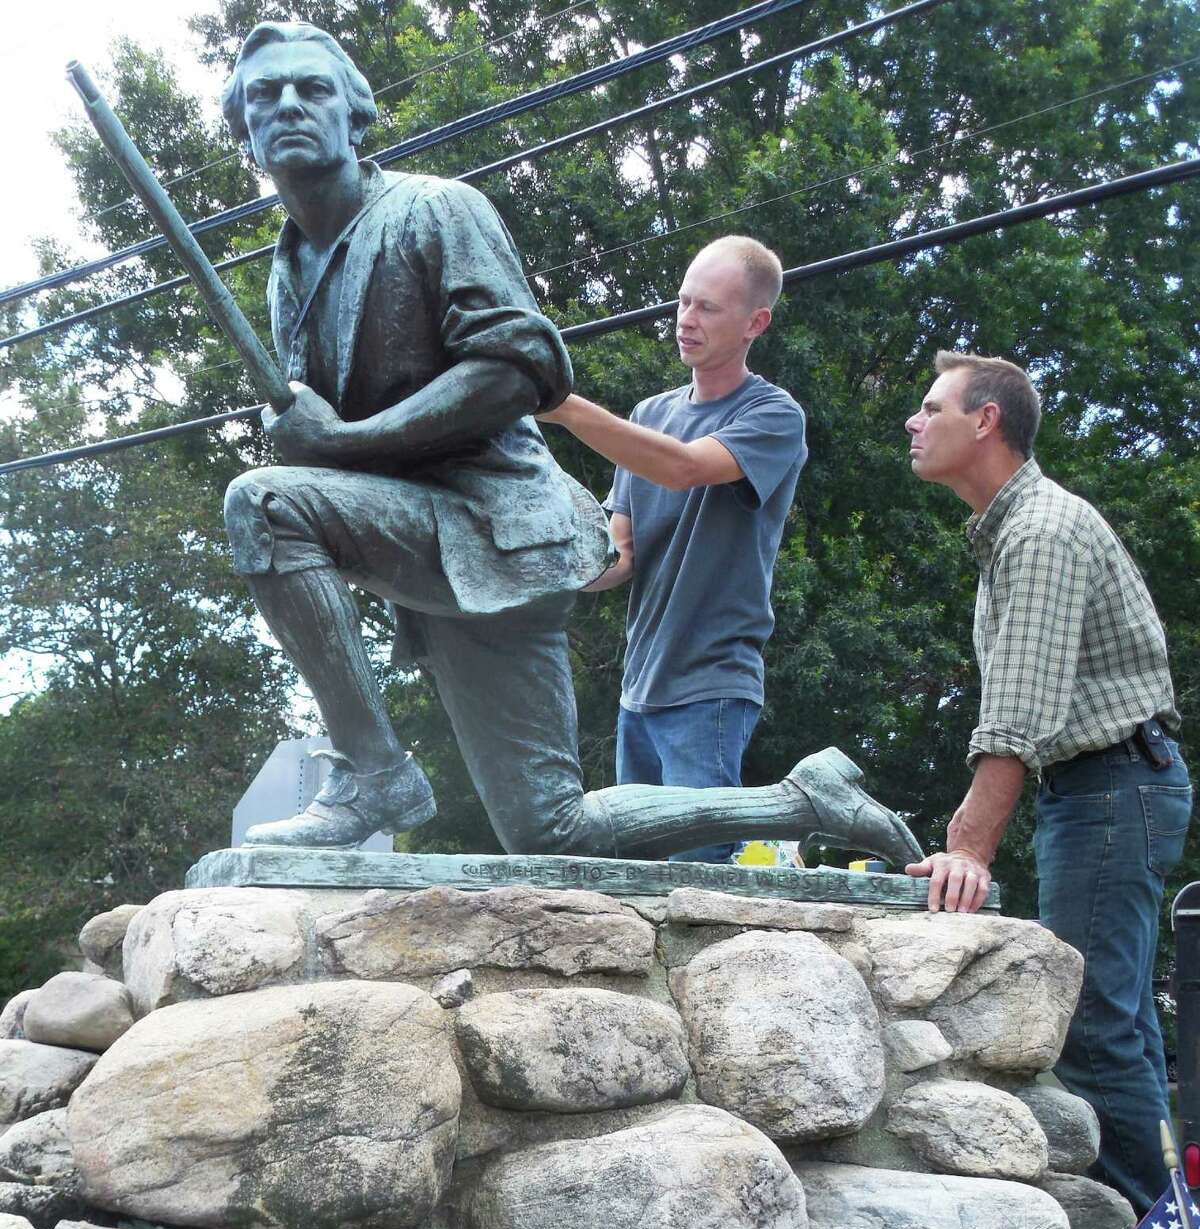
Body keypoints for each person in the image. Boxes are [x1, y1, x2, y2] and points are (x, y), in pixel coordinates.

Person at [218, 22, 921, 872]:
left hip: (488, 527)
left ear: (356, 113)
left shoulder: (433, 209)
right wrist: (317, 442)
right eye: (265, 94)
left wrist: (342, 440)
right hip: (464, 558)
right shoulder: (289, 267)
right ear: (244, 129)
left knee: (264, 503)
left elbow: (523, 368)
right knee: (553, 833)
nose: (288, 105)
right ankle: (804, 799)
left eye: (313, 88)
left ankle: (372, 772)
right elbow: (621, 533)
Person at [903, 350, 1192, 1217]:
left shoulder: (1041, 532)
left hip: (1112, 789)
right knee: (1122, 1021)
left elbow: (1019, 715)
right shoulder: (1012, 533)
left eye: (930, 408)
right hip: (1108, 790)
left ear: (985, 421)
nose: (913, 424)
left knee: (1094, 1028)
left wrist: (968, 848)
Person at [540, 237, 807, 861]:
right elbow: (620, 556)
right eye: (683, 302)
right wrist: (546, 572)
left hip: (710, 687)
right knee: (636, 886)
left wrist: (567, 409)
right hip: (639, 690)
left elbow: (686, 468)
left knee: (698, 889)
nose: (686, 319)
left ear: (755, 323)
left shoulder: (773, 415)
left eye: (708, 308)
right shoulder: (649, 414)